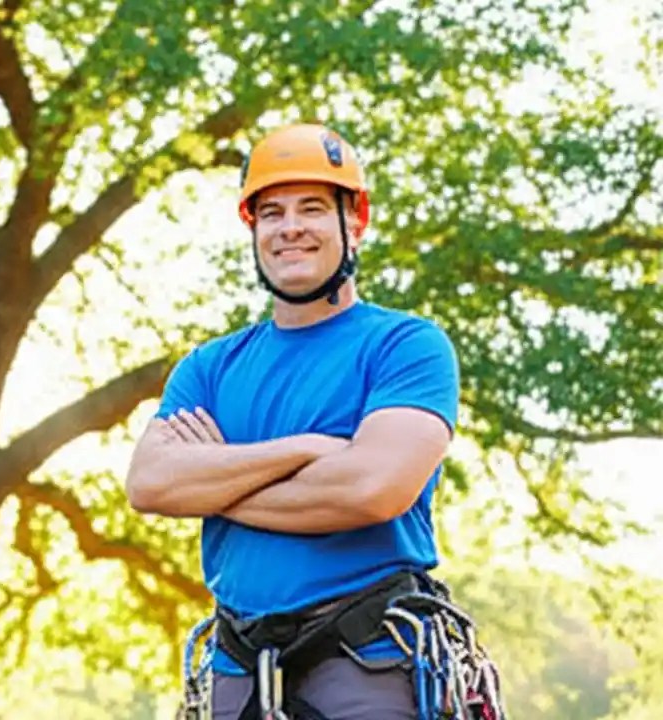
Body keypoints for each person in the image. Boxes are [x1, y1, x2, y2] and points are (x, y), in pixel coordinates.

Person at [125, 124, 504, 720]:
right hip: (236, 672)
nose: (290, 227)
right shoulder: (209, 367)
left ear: (354, 221)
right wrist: (306, 449)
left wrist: (214, 484)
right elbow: (150, 485)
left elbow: (372, 489)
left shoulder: (406, 346)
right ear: (253, 230)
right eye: (271, 212)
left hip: (367, 666)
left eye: (311, 209)